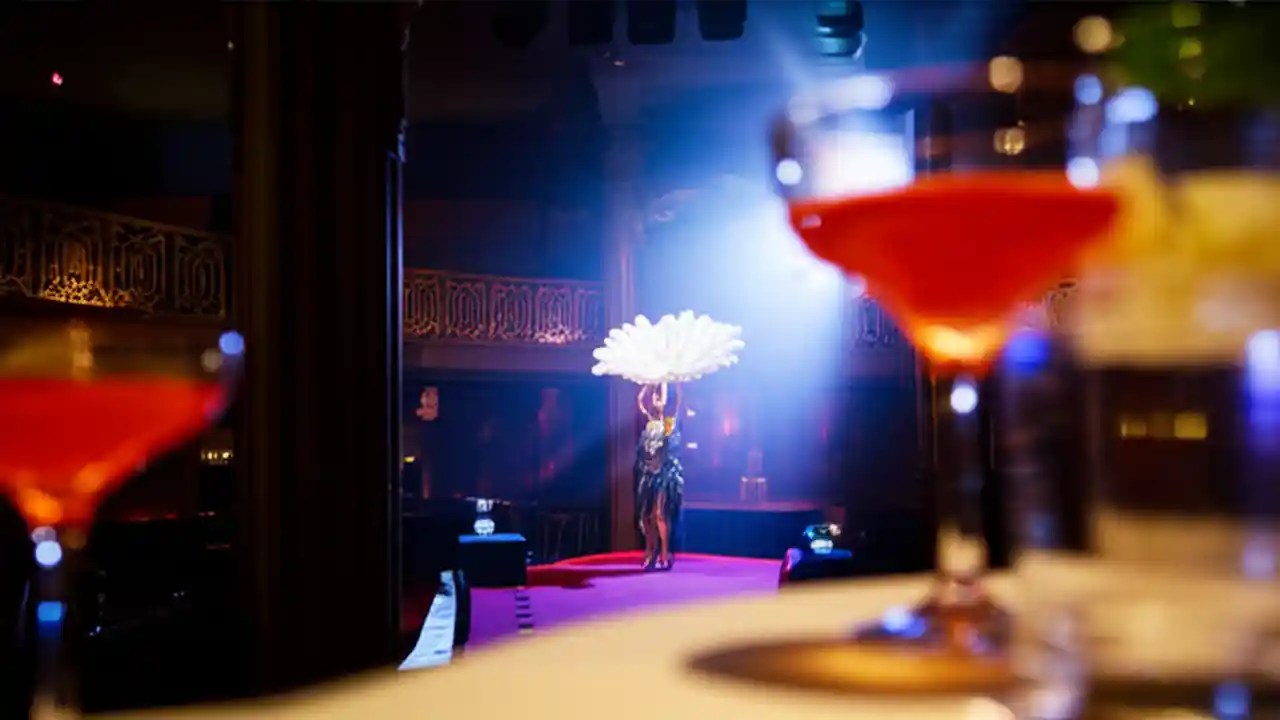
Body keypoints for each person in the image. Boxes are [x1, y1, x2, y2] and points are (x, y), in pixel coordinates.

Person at [635, 382, 684, 571]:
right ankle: (650, 552)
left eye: (659, 398)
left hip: (664, 475)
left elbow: (677, 404)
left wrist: (671, 384)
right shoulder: (650, 422)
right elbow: (640, 400)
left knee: (660, 514)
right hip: (648, 474)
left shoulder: (668, 423)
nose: (656, 401)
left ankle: (665, 554)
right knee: (645, 516)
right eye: (654, 398)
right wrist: (648, 384)